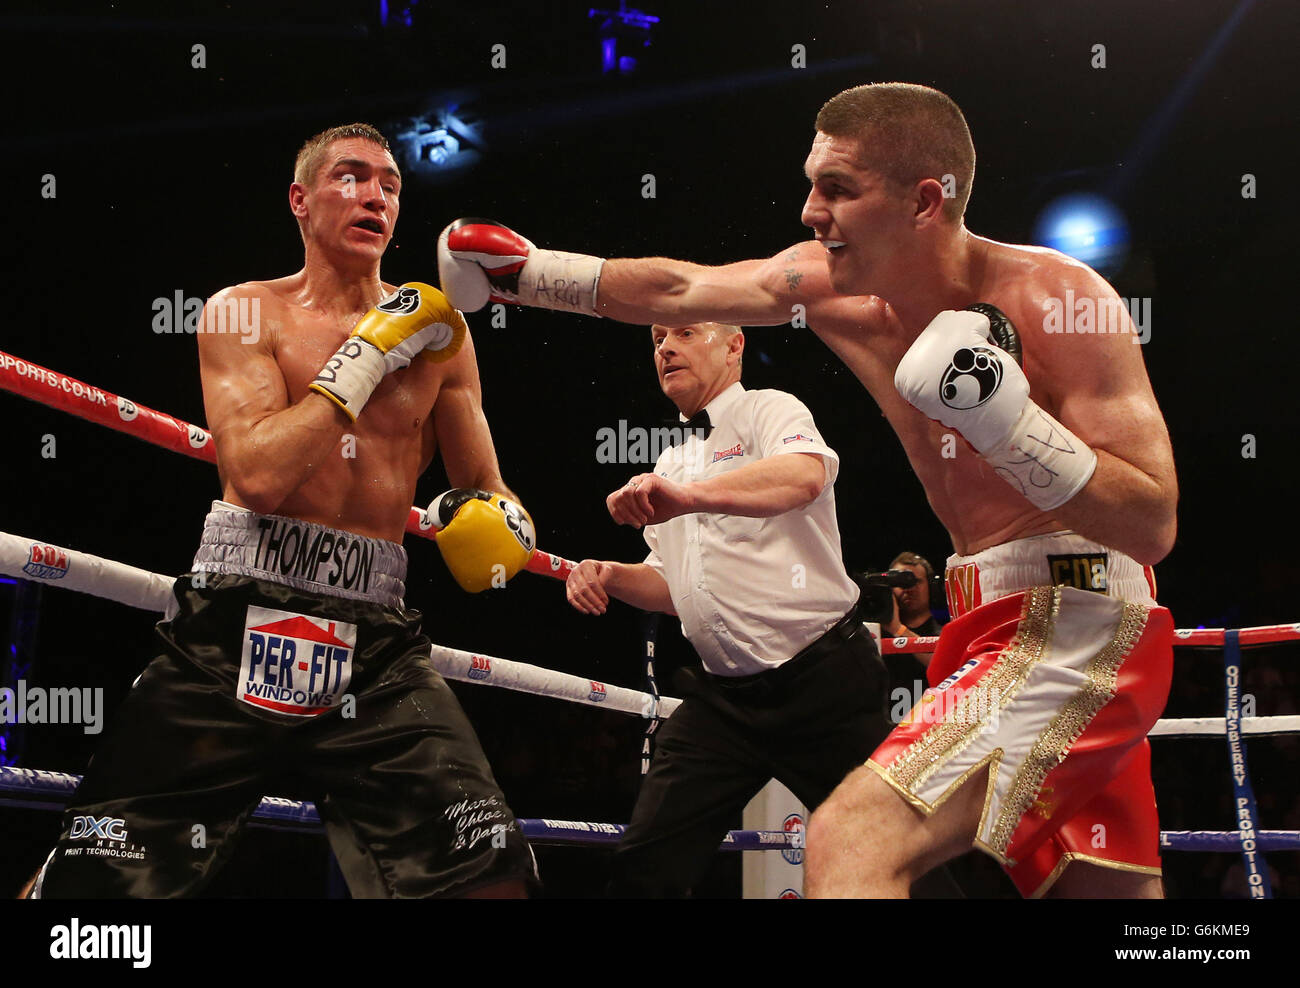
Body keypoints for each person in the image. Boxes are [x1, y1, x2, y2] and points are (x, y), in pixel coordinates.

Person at [437, 81, 1178, 899]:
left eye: (838, 189)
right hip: (982, 611)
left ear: (926, 201)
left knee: (851, 838)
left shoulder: (1057, 297)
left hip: (1074, 619)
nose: (809, 212)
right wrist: (529, 274)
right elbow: (683, 289)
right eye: (811, 182)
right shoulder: (830, 285)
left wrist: (1007, 423)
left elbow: (1150, 524)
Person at [30, 123, 537, 898]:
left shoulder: (444, 338)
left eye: (390, 185)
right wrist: (366, 354)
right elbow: (260, 474)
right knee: (103, 885)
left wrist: (506, 528)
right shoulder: (243, 313)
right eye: (350, 177)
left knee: (487, 869)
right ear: (300, 201)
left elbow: (486, 486)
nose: (374, 195)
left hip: (375, 639)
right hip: (233, 622)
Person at [564, 321, 891, 897]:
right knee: (644, 864)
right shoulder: (669, 463)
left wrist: (688, 499)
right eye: (657, 338)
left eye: (685, 333)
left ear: (735, 344)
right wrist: (609, 574)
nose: (665, 347)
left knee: (903, 849)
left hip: (825, 686)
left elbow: (805, 475)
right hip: (724, 703)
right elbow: (672, 583)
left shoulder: (769, 409)